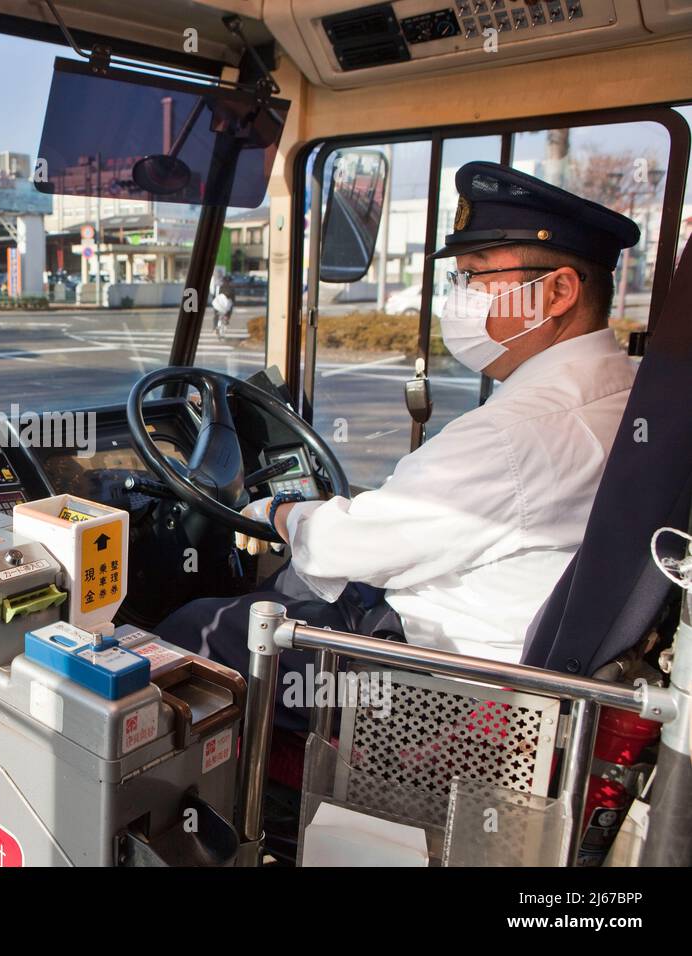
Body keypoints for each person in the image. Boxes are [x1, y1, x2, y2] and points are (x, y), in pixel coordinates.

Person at [159, 161, 642, 687]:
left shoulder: (519, 431)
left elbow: (348, 546)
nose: (458, 295)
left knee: (194, 629)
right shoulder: (623, 390)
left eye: (474, 275)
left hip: (433, 675)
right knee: (288, 592)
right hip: (504, 648)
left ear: (559, 292)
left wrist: (280, 512)